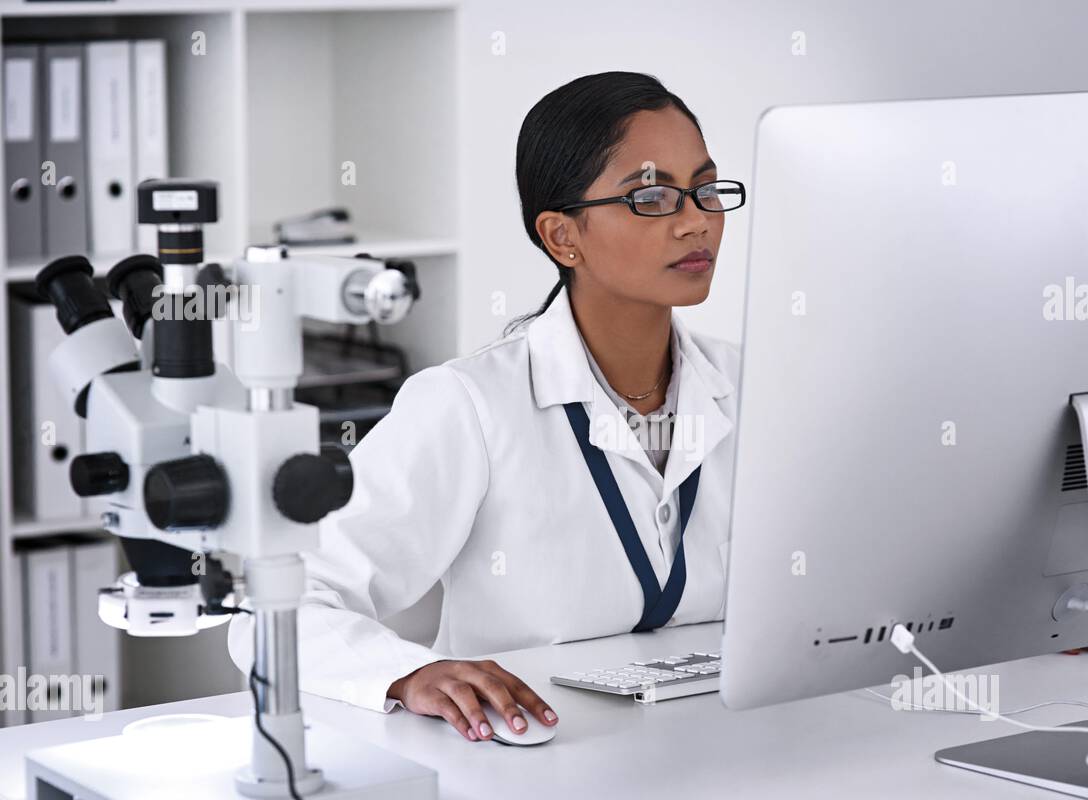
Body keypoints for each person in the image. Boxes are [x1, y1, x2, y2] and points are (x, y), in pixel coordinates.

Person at [227, 71, 745, 743]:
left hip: (729, 747)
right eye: (651, 196)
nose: (696, 220)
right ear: (563, 237)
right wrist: (402, 674)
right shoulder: (469, 404)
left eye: (705, 188)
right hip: (533, 762)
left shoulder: (755, 384)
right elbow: (277, 609)